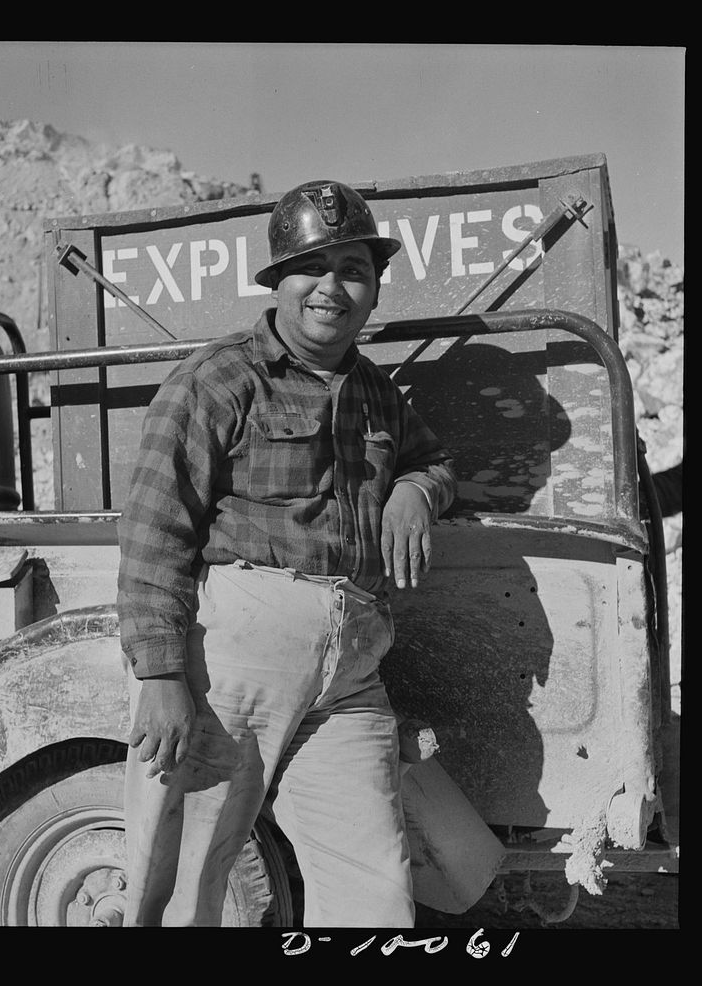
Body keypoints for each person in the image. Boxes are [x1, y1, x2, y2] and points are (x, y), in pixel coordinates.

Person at [116, 179, 457, 927]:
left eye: (353, 270)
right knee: (188, 875)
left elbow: (433, 461)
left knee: (375, 886)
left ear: (374, 289)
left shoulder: (375, 392)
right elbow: (155, 527)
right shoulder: (220, 377)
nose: (332, 287)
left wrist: (414, 490)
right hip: (234, 669)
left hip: (351, 672)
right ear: (278, 281)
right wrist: (162, 674)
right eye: (312, 267)